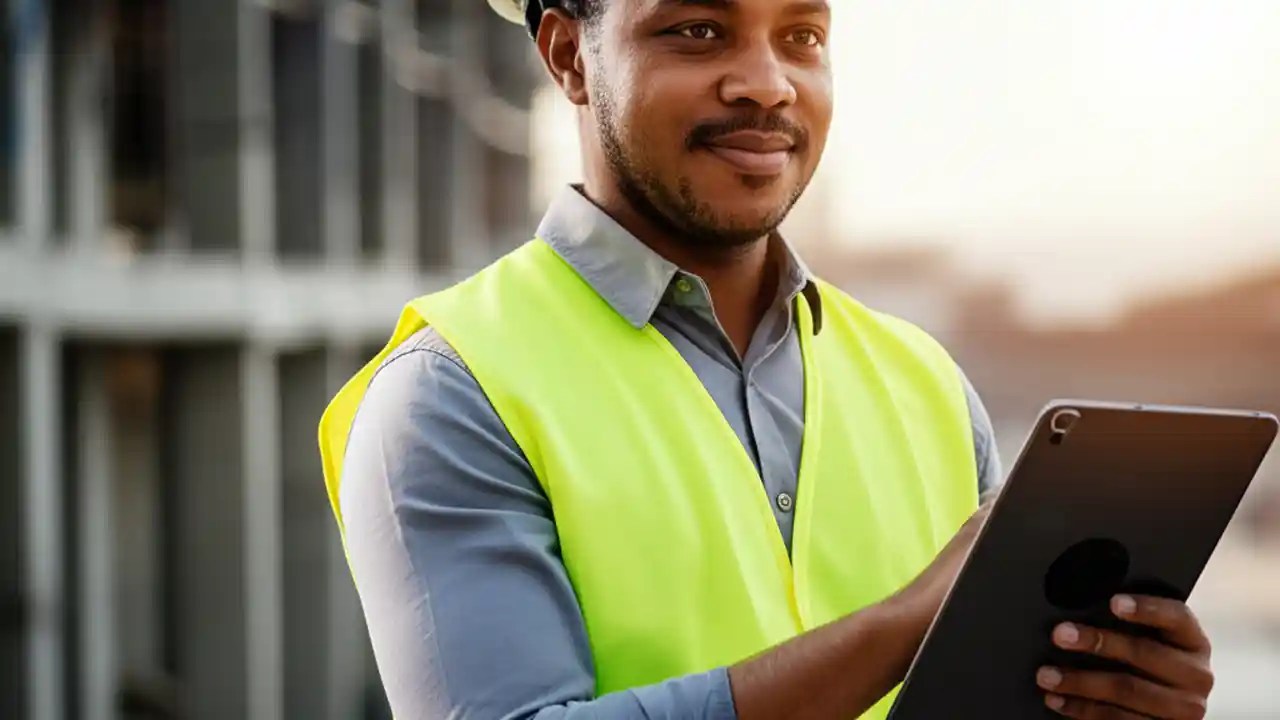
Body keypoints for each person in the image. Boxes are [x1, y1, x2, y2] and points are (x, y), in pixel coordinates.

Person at [319, 1, 1216, 718]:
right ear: (568, 55)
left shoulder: (926, 384)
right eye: (697, 31)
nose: (766, 84)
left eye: (802, 35)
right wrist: (903, 624)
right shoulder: (451, 392)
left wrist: (1109, 695)